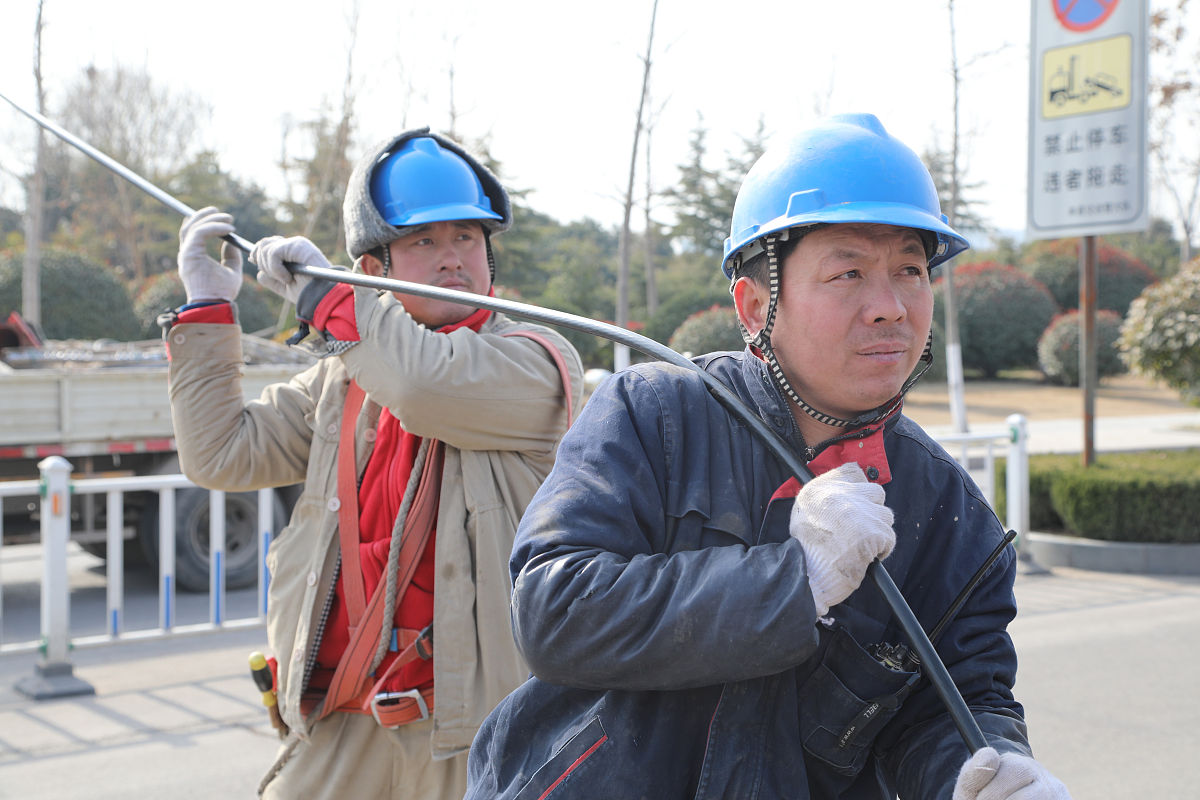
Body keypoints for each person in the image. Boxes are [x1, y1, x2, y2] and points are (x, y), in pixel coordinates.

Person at [465, 114, 1071, 799]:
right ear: (755, 305)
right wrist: (793, 582)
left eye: (910, 269)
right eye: (848, 272)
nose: (890, 307)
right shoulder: (656, 415)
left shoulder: (953, 519)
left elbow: (955, 704)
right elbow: (554, 612)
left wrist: (983, 768)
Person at [163, 128, 583, 800]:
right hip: (346, 717)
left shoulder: (536, 361)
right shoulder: (341, 383)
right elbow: (221, 453)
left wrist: (330, 305)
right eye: (424, 241)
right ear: (374, 269)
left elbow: (426, 386)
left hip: (474, 729)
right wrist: (210, 311)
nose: (453, 258)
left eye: (467, 238)